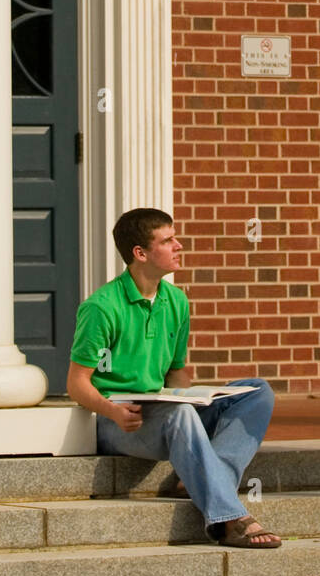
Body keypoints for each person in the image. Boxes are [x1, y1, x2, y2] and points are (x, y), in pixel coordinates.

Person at [66, 207, 281, 548]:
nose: (179, 245)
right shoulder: (102, 307)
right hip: (119, 421)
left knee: (257, 391)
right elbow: (77, 383)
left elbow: (176, 371)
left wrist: (193, 399)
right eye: (168, 240)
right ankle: (228, 519)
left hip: (164, 407)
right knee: (179, 414)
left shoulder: (176, 301)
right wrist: (114, 412)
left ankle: (197, 480)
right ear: (141, 253)